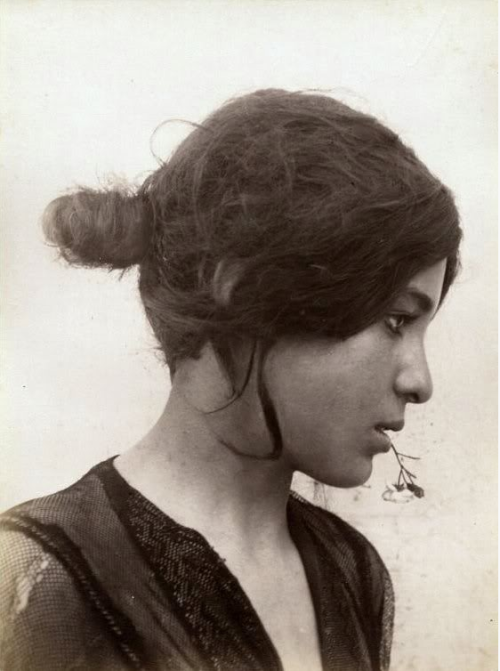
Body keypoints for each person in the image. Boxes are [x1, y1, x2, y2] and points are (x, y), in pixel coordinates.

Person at [0, 89, 462, 671]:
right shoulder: (37, 575)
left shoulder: (353, 570)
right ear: (250, 296)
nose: (420, 382)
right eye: (395, 321)